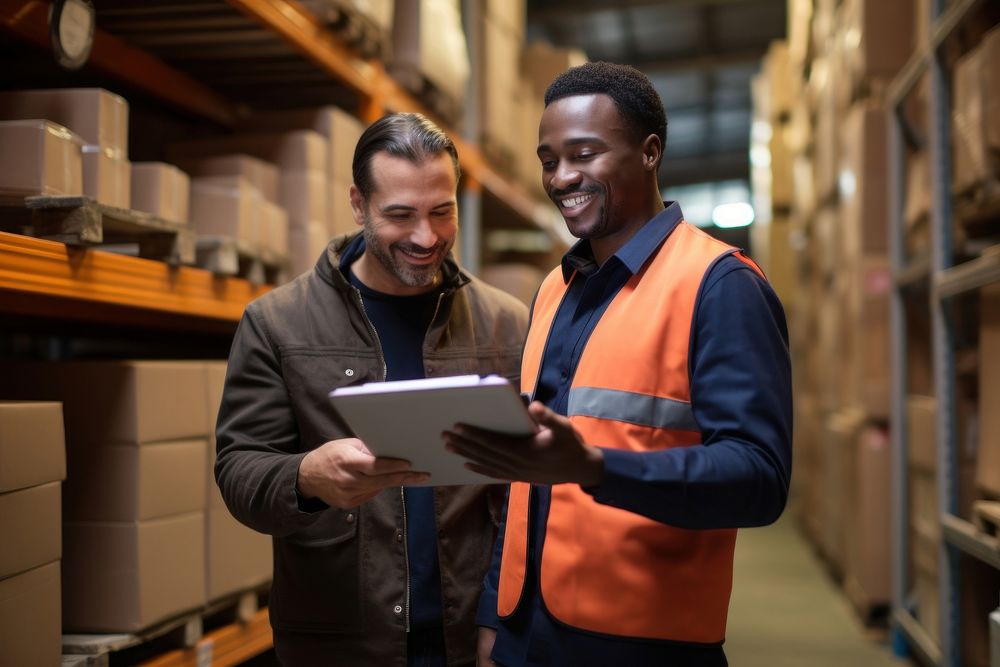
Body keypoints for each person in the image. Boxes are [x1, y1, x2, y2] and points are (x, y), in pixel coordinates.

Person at [442, 62, 793, 666]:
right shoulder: (554, 288)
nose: (562, 177)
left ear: (650, 151)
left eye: (584, 153)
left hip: (644, 641)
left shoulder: (719, 285)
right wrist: (492, 619)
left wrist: (600, 469)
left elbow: (759, 479)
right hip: (526, 633)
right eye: (549, 159)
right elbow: (527, 477)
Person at [215, 112, 529, 666]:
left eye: (442, 211)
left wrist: (501, 622)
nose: (426, 237)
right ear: (358, 205)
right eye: (400, 215)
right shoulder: (277, 324)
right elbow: (238, 468)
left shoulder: (506, 327)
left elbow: (526, 492)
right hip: (339, 643)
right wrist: (305, 477)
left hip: (469, 639)